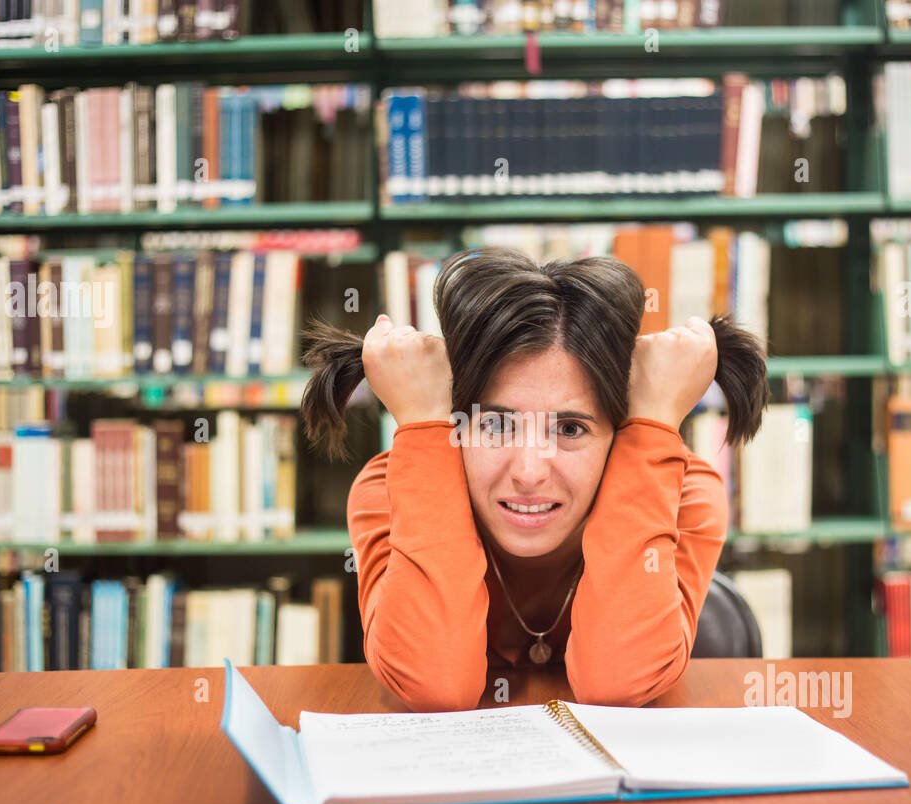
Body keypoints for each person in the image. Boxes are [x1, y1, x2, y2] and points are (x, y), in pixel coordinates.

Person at [299, 247, 768, 711]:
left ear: (622, 433)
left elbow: (616, 687)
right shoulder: (389, 490)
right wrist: (422, 424)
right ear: (453, 421)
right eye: (495, 424)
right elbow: (433, 688)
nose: (528, 472)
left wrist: (654, 423)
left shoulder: (684, 496)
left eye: (570, 428)